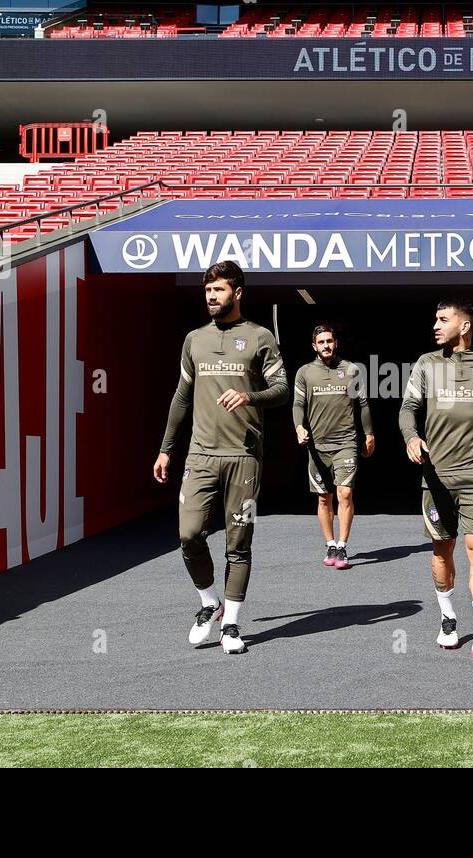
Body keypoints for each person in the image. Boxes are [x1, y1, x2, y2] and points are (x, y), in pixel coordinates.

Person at [153, 260, 288, 655]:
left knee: (238, 543)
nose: (212, 296)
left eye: (219, 290)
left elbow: (281, 388)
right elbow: (181, 397)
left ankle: (230, 624)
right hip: (200, 455)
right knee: (189, 534)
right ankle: (209, 601)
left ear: (238, 293)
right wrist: (165, 448)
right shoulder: (194, 339)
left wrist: (250, 396)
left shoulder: (260, 337)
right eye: (208, 290)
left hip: (244, 456)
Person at [399, 299, 473, 660]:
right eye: (435, 318)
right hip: (436, 478)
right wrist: (411, 437)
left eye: (443, 319)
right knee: (442, 550)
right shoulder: (426, 364)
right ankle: (448, 617)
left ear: (464, 326)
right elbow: (408, 410)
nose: (435, 325)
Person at [292, 324, 375, 569]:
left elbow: (364, 404)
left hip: (345, 443)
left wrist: (369, 434)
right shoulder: (305, 372)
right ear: (314, 346)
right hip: (317, 446)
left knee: (345, 493)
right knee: (323, 498)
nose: (326, 345)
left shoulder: (350, 370)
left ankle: (342, 546)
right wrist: (299, 427)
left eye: (330, 340)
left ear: (335, 343)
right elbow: (298, 405)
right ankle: (329, 543)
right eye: (321, 342)